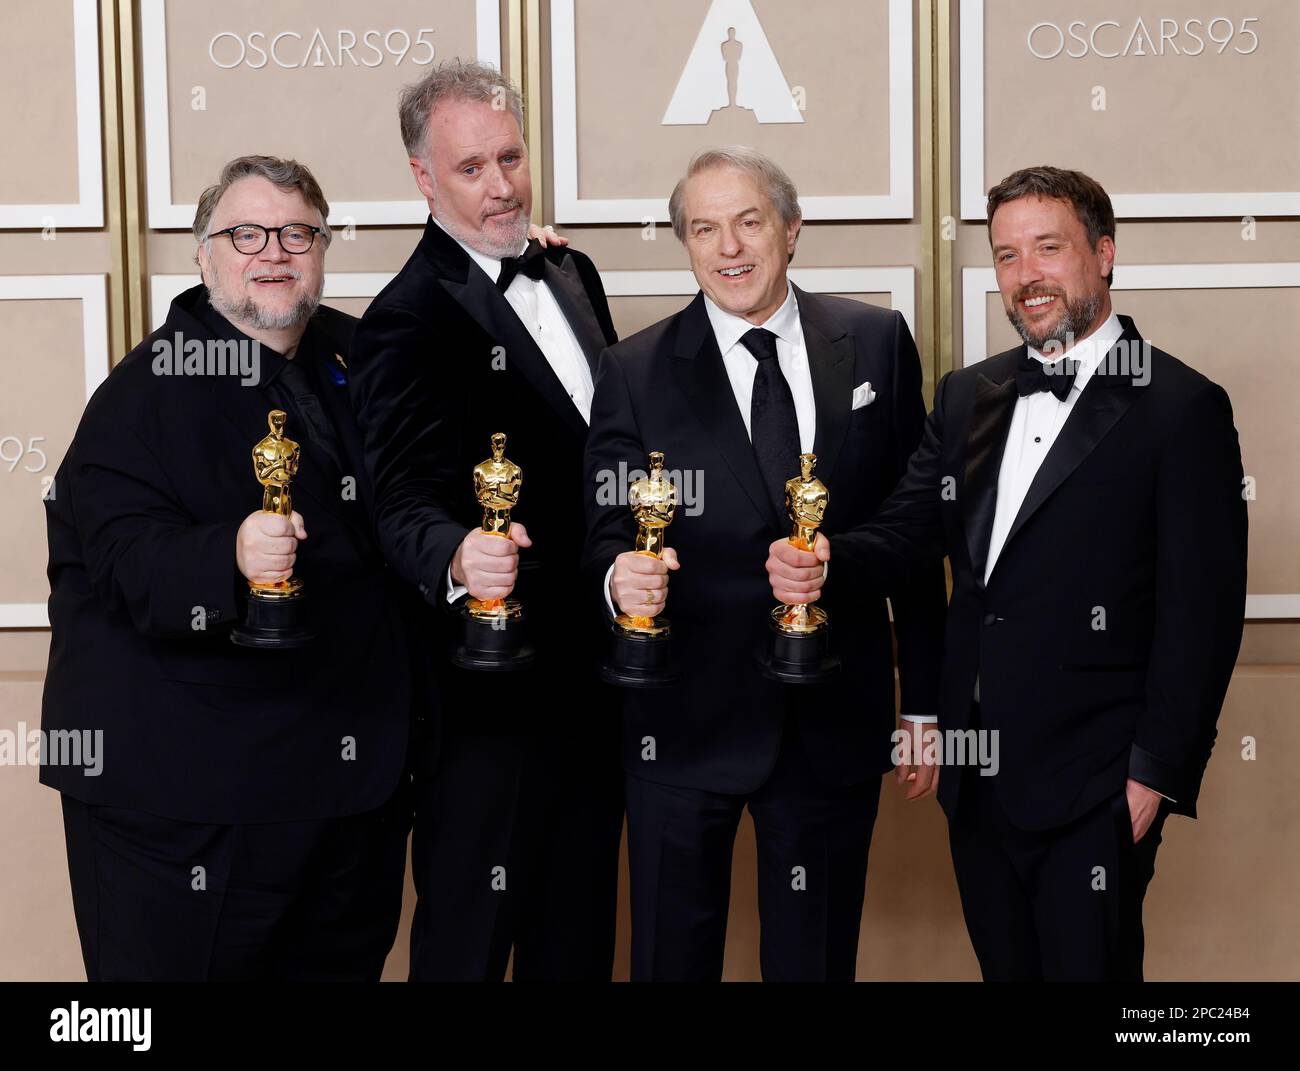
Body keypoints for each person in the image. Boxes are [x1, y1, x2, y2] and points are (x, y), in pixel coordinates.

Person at [776, 165, 1249, 980]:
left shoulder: (1180, 407)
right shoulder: (971, 396)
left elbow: (1201, 617)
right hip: (978, 774)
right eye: (1005, 255)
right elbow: (905, 534)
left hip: (1097, 785)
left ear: (1104, 254)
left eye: (1048, 248)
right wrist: (826, 560)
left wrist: (1154, 780)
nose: (1026, 275)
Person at [41, 156, 415, 981]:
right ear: (204, 255)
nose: (273, 252)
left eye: (297, 233)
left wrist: (516, 264)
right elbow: (118, 556)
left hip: (340, 787)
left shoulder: (357, 355)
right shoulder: (143, 390)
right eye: (246, 234)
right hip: (182, 802)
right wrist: (230, 553)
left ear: (322, 248)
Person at [582, 146, 947, 981]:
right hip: (679, 724)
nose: (729, 247)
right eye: (704, 228)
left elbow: (915, 529)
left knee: (814, 964)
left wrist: (921, 704)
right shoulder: (632, 370)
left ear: (790, 230)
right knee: (670, 961)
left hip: (831, 717)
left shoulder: (877, 342)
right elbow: (605, 525)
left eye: (749, 221)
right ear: (686, 244)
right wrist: (616, 579)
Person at [349, 60, 623, 981]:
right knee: (467, 947)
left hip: (603, 680)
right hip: (486, 703)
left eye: (510, 156)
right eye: (472, 168)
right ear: (424, 178)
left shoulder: (571, 270)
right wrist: (460, 556)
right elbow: (397, 499)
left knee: (578, 941)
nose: (502, 184)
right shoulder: (403, 320)